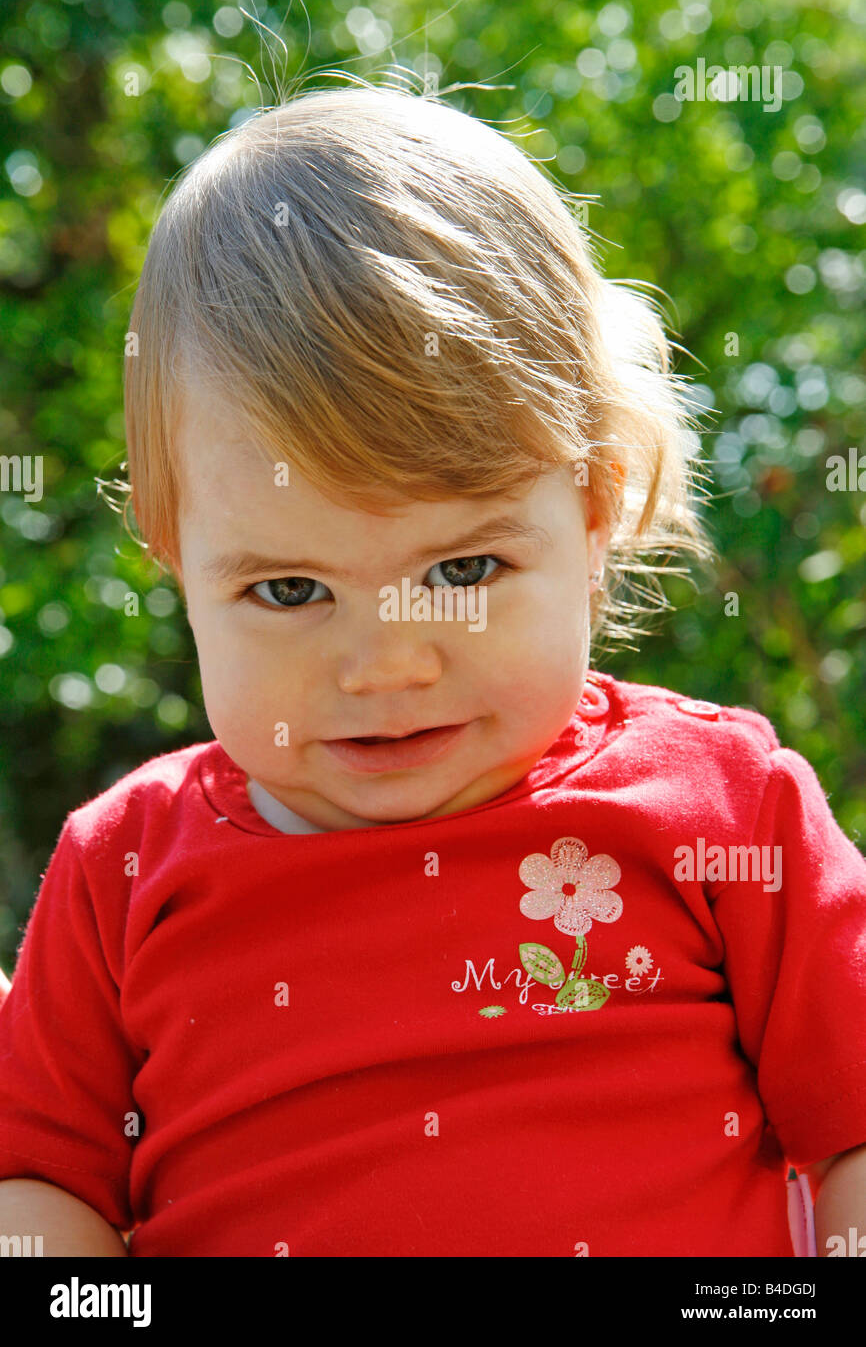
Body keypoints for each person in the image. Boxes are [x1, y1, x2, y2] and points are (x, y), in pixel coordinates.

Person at [1, 81, 864, 1257]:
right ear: (174, 554)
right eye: (291, 591)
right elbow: (39, 1187)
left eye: (462, 569)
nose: (388, 663)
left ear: (595, 506)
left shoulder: (722, 811)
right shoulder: (125, 870)